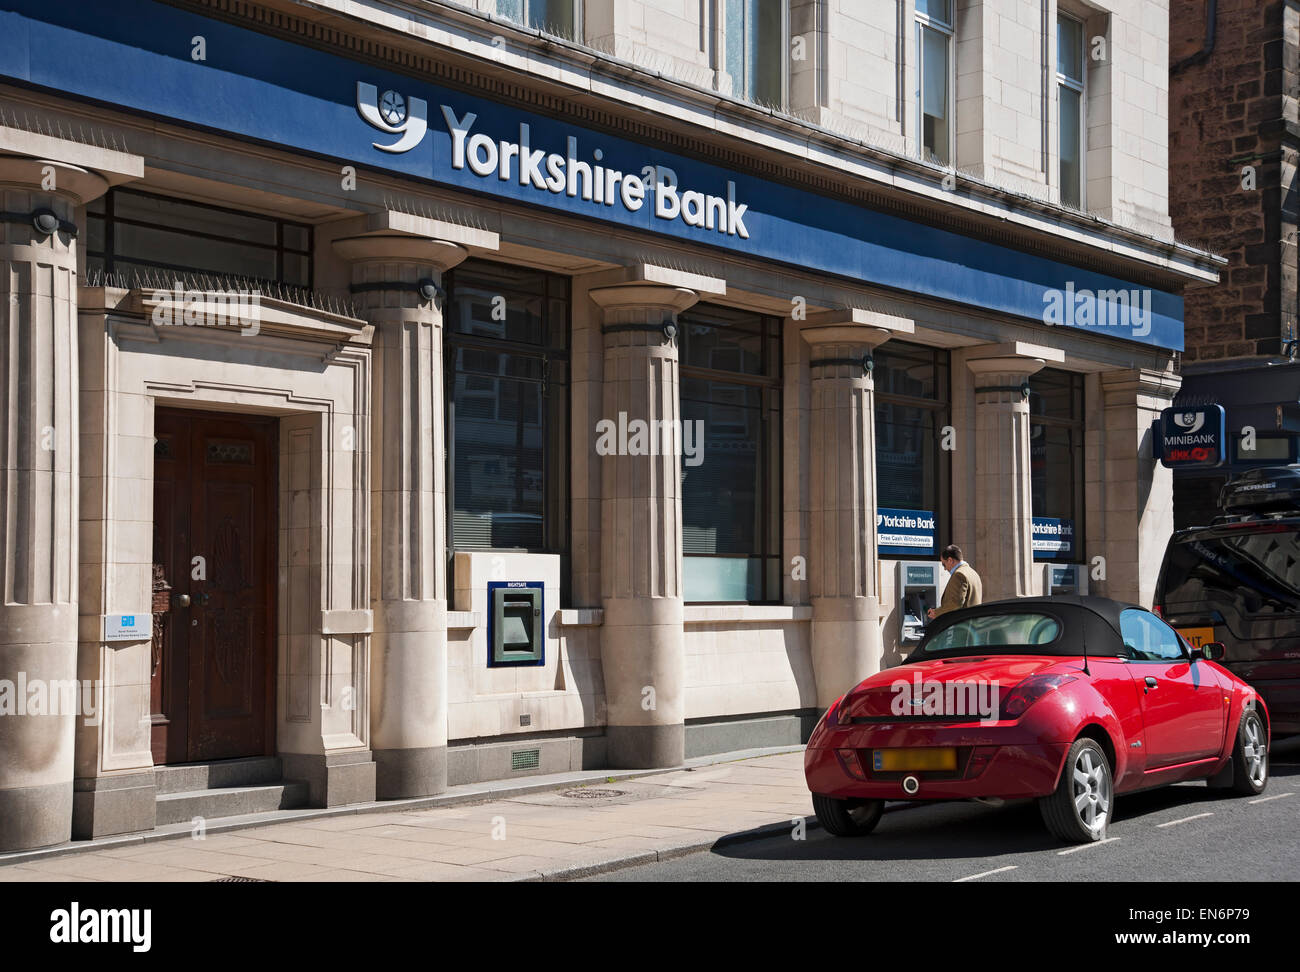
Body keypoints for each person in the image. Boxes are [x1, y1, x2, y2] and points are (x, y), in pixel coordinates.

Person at [927, 544, 982, 620]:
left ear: (950, 560)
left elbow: (955, 604)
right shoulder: (973, 573)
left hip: (962, 625)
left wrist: (936, 612)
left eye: (944, 564)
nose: (945, 569)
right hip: (972, 623)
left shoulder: (959, 574)